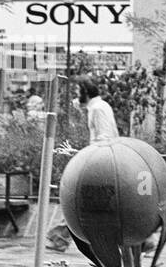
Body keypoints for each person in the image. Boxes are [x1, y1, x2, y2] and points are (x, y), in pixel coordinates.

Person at [46, 77, 119, 251]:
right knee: (88, 203)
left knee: (80, 202)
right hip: (103, 161)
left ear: (85, 92)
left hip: (99, 163)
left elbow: (104, 137)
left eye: (79, 92)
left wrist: (89, 158)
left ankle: (60, 237)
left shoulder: (97, 109)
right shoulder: (99, 107)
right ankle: (60, 237)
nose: (77, 95)